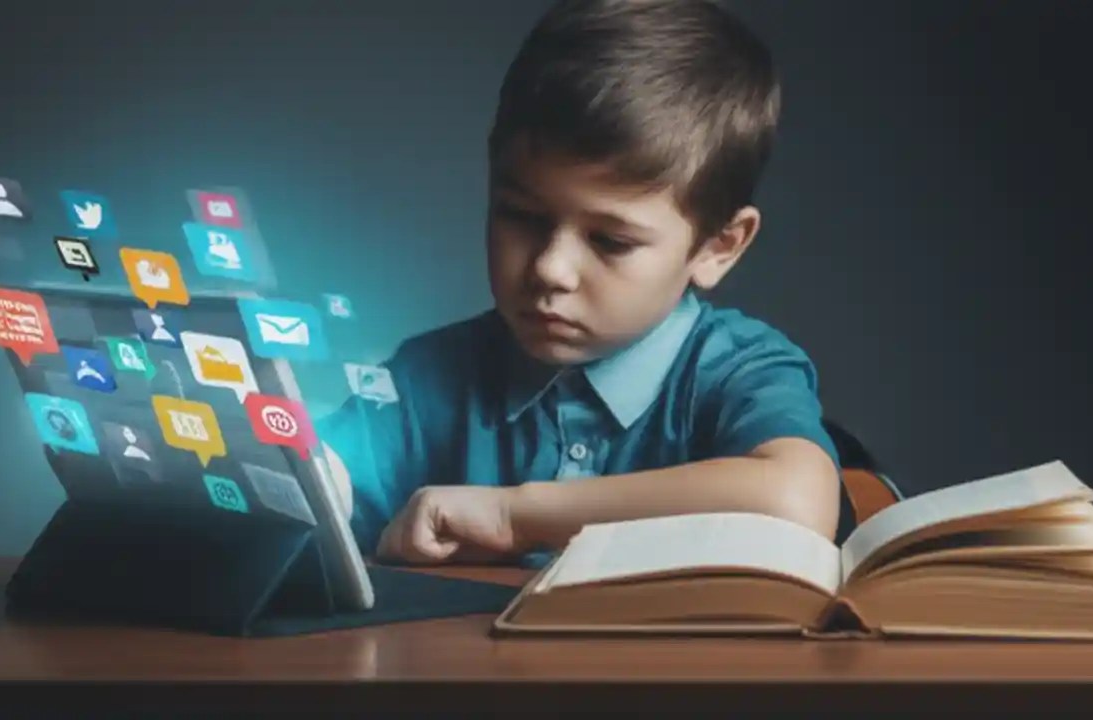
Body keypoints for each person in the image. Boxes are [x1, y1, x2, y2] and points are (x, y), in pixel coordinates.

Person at [318, 0, 840, 566]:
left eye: (609, 241)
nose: (549, 269)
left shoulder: (737, 371)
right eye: (521, 216)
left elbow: (795, 503)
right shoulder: (427, 382)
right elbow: (308, 492)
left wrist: (512, 515)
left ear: (720, 246)